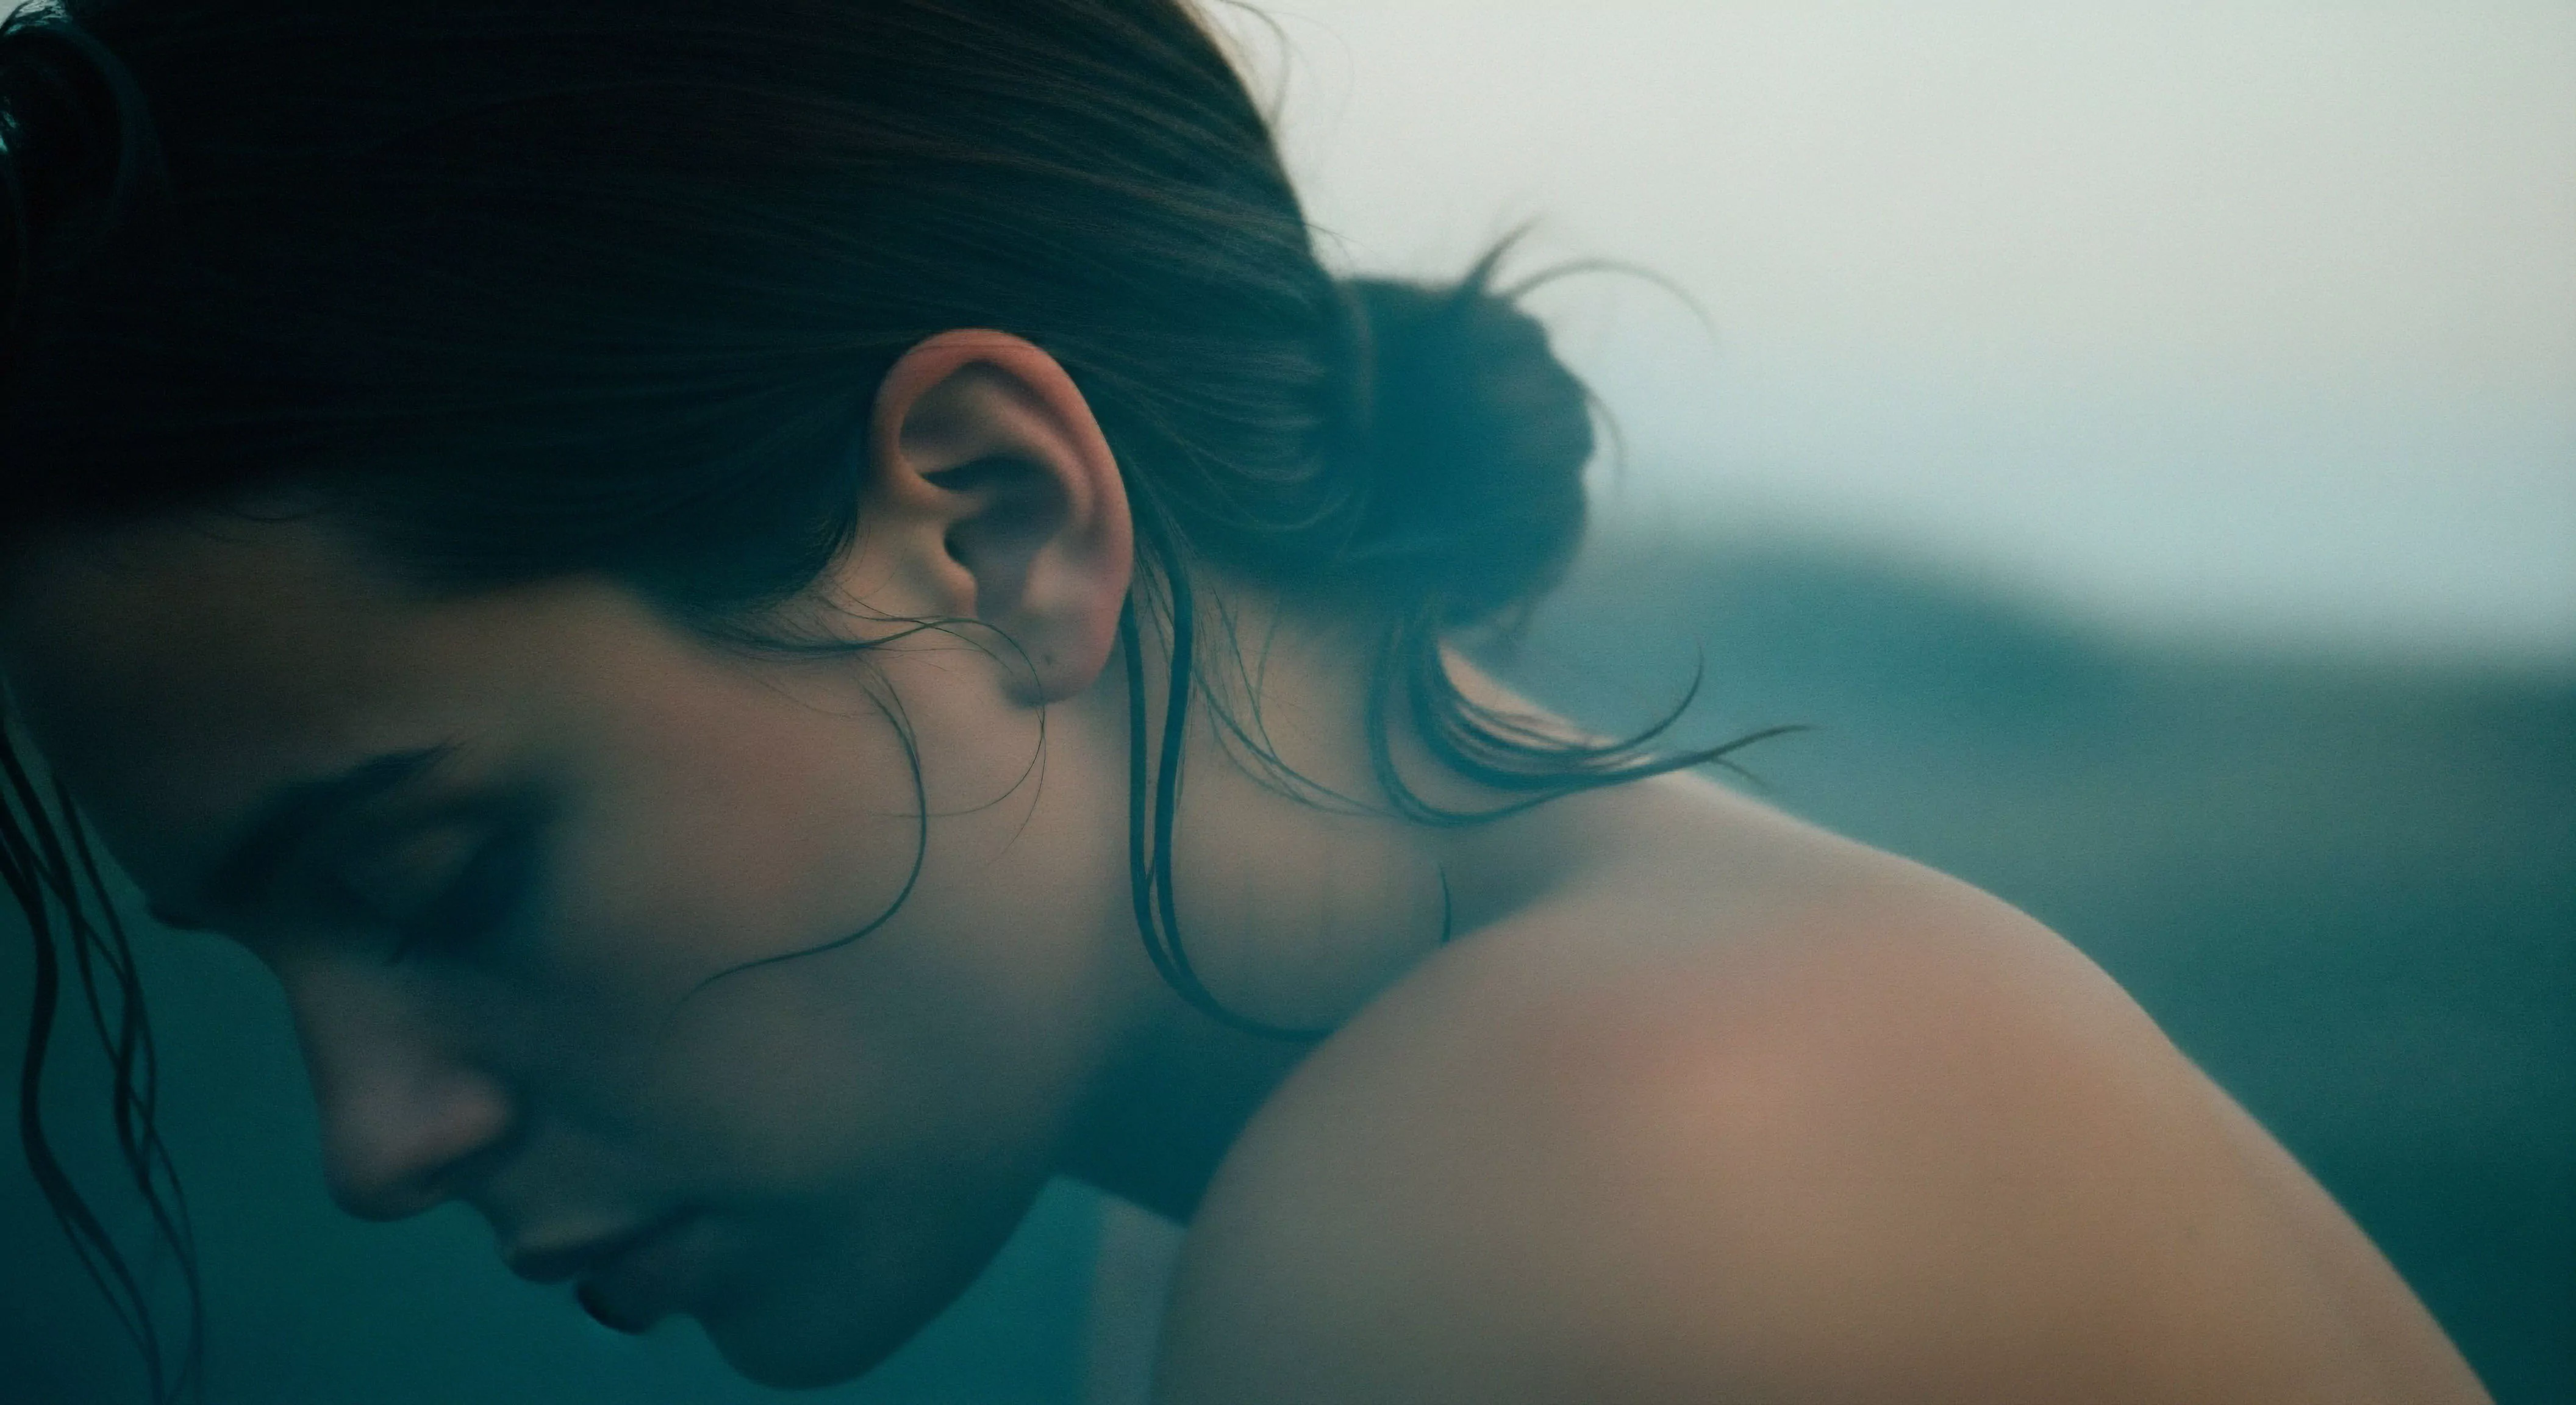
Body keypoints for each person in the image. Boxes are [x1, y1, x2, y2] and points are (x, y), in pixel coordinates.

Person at [0, 1, 2492, 1401]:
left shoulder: (1589, 1165)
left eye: (439, 874)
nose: (376, 1132)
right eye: (269, 969)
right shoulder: (1334, 1171)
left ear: (994, 526)